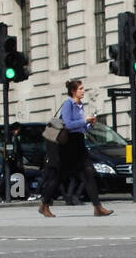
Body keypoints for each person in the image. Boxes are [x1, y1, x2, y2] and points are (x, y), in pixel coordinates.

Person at [38, 79, 112, 218]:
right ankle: (44, 204)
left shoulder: (80, 105)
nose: (83, 91)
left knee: (89, 172)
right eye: (81, 89)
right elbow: (68, 124)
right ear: (73, 91)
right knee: (59, 176)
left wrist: (90, 124)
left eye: (83, 88)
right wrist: (85, 120)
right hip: (68, 145)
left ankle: (98, 207)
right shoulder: (68, 104)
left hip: (79, 143)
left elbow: (81, 128)